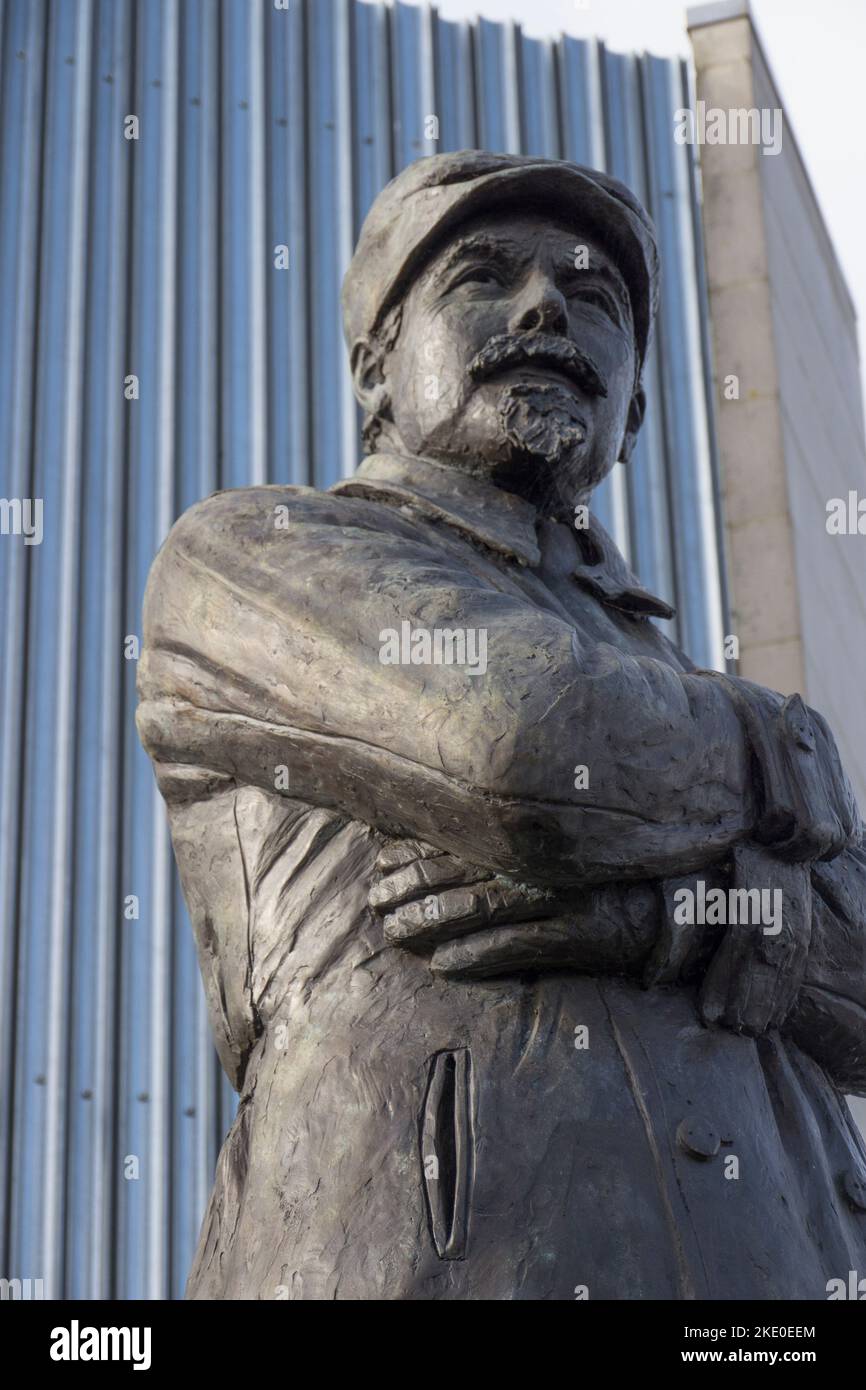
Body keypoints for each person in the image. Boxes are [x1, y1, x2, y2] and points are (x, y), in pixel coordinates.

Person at [137, 151, 866, 1300]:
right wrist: (790, 764)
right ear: (376, 369)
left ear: (631, 409)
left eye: (592, 297)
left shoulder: (674, 675)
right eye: (482, 276)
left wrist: (669, 918)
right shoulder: (256, 556)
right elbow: (525, 745)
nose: (544, 307)